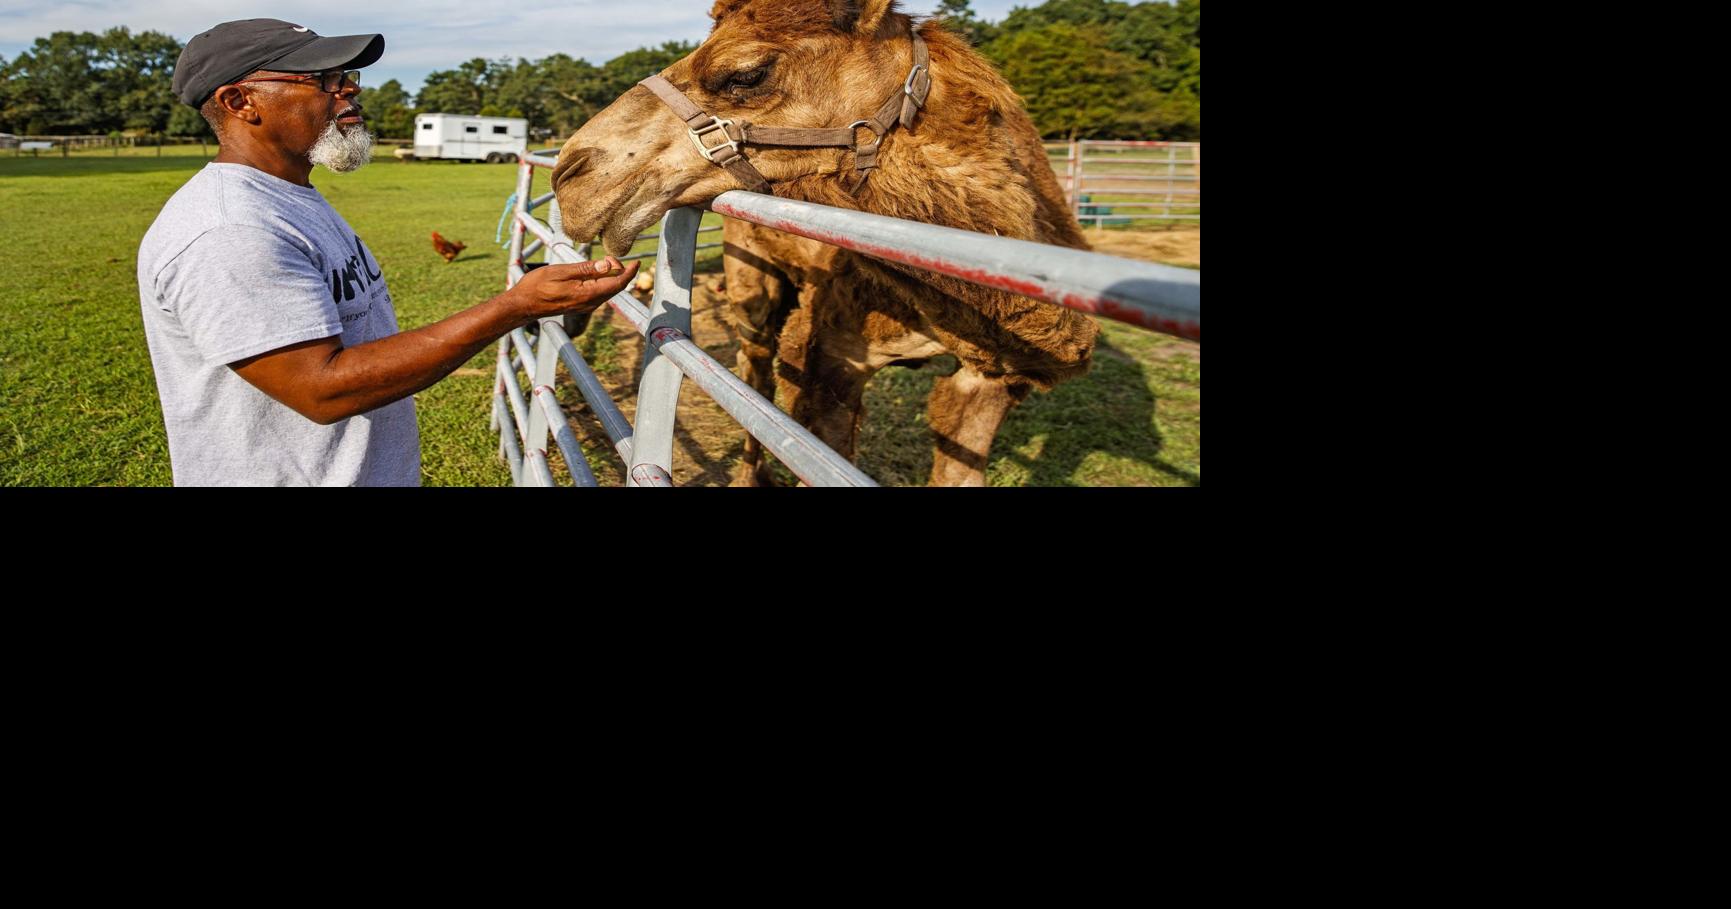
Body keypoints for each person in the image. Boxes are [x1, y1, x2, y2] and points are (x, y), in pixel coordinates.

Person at [137, 19, 636, 486]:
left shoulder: (288, 196)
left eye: (345, 74)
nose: (350, 88)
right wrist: (515, 307)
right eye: (323, 79)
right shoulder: (229, 229)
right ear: (240, 100)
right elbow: (321, 389)